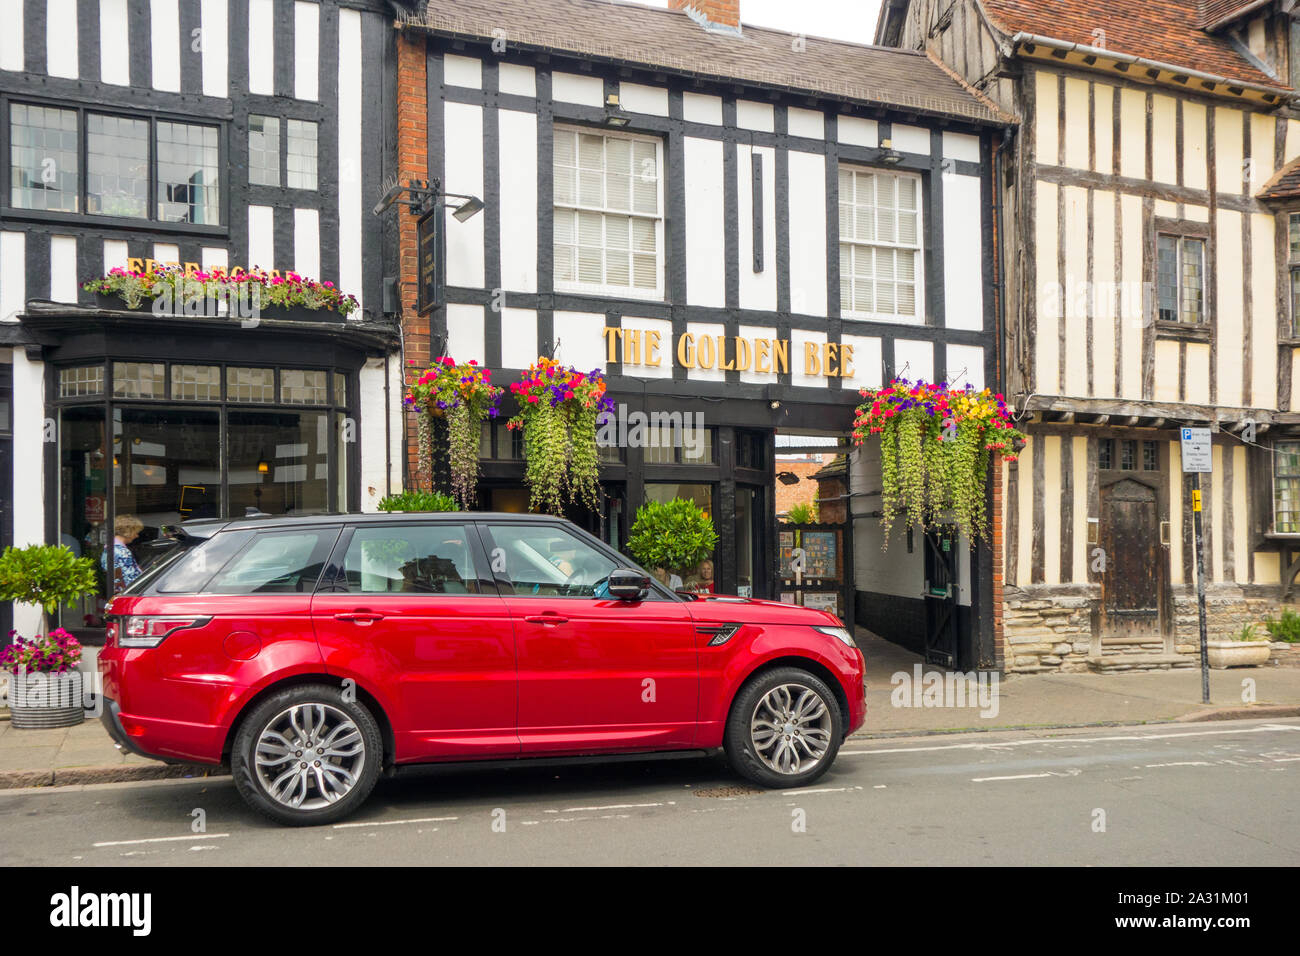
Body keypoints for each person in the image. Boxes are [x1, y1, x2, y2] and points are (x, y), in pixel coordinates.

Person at [102, 514, 144, 594]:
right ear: (128, 531)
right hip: (127, 594)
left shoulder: (109, 548)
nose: (137, 536)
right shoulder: (123, 552)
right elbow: (131, 580)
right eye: (136, 532)